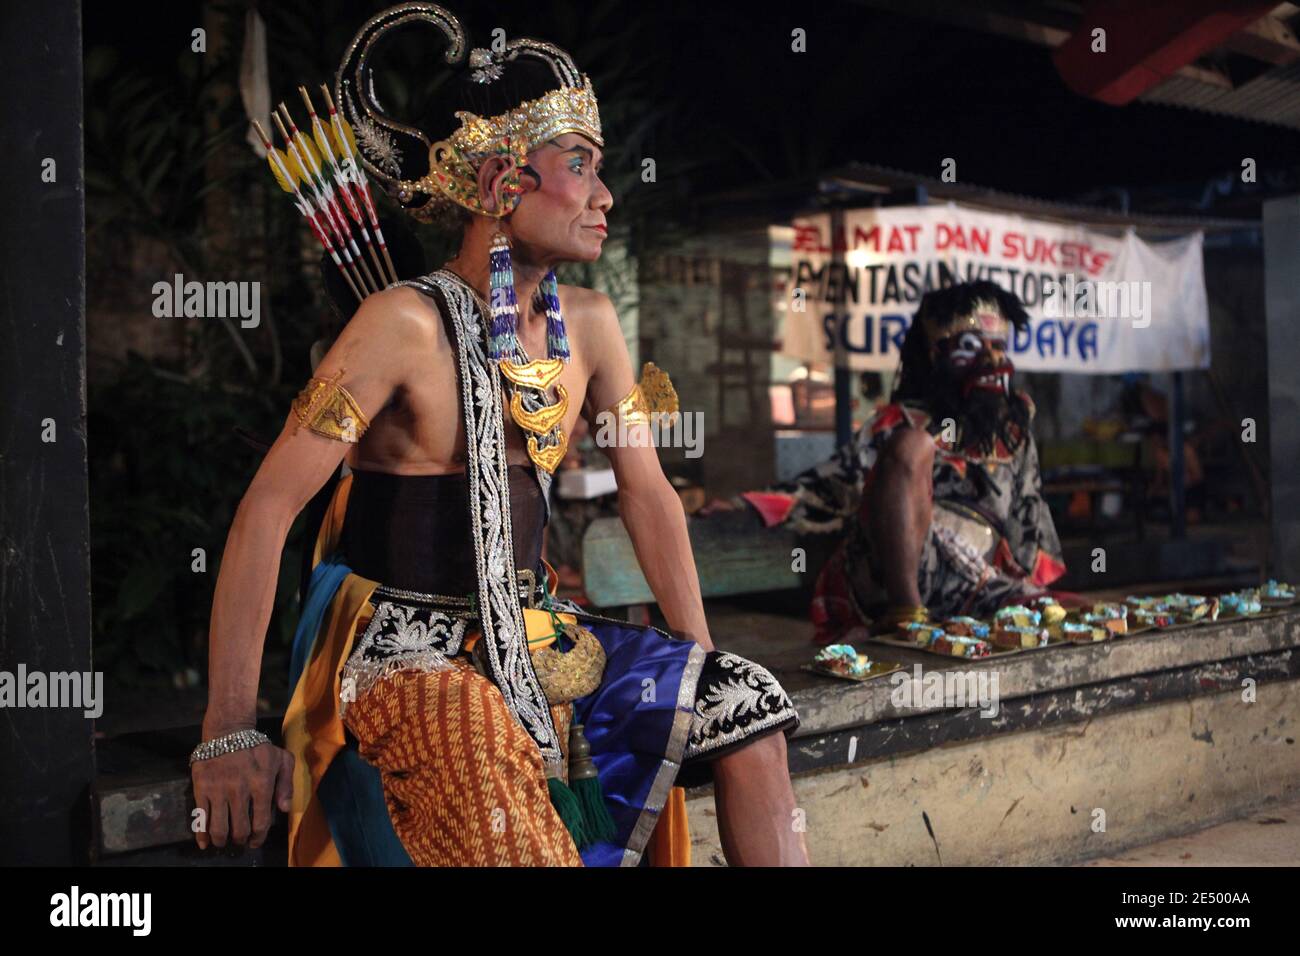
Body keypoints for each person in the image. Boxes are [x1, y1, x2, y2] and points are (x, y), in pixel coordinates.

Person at [190, 2, 805, 867]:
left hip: (535, 626)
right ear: (497, 184)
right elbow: (266, 514)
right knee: (491, 767)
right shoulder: (397, 325)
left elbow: (647, 490)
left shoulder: (592, 326)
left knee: (746, 704)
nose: (605, 195)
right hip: (402, 644)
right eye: (581, 167)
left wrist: (696, 660)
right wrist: (226, 733)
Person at [730, 281, 1066, 643]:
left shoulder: (1014, 431)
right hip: (895, 583)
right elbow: (833, 483)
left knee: (1075, 613)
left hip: (974, 585)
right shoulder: (899, 423)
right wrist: (743, 505)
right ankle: (907, 615)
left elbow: (1028, 513)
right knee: (912, 445)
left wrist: (1030, 595)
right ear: (935, 354)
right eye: (970, 346)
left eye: (998, 346)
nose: (993, 358)